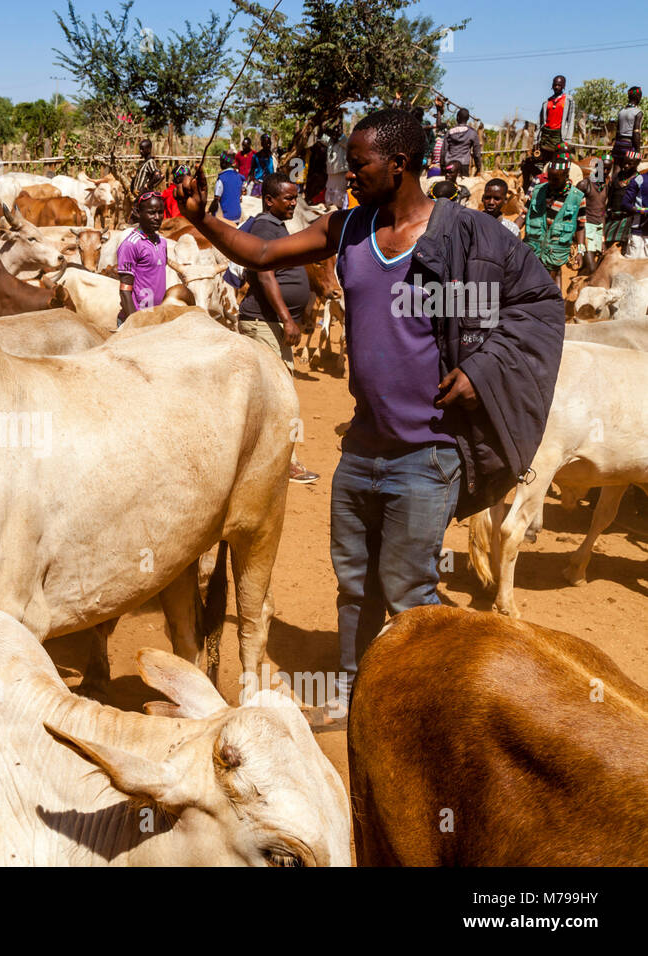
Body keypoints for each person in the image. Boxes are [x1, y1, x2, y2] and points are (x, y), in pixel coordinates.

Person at [172, 107, 565, 715]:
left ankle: (429, 714)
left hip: (428, 452)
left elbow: (537, 304)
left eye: (359, 165)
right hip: (361, 451)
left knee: (410, 591)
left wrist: (482, 371)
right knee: (355, 589)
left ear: (400, 164)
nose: (348, 175)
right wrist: (201, 219)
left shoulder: (465, 236)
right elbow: (259, 250)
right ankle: (358, 699)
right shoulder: (347, 229)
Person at [235, 171, 319, 484]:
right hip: (264, 323)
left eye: (295, 198)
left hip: (271, 324)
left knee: (280, 393)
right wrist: (287, 318)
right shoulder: (265, 227)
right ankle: (286, 462)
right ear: (269, 200)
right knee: (281, 396)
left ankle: (278, 458)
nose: (293, 203)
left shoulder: (276, 227)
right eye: (287, 198)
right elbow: (264, 275)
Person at [523, 152, 586, 281]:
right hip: (534, 247)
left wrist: (580, 251)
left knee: (553, 279)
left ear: (566, 176)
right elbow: (524, 215)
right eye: (549, 177)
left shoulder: (577, 198)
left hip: (555, 252)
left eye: (556, 179)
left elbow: (581, 226)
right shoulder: (538, 191)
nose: (551, 182)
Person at [116, 192, 168, 326]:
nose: (157, 217)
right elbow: (125, 291)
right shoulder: (131, 244)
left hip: (155, 319)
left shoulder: (162, 242)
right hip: (136, 321)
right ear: (138, 213)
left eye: (160, 212)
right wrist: (136, 324)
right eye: (151, 213)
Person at [578, 153, 610, 271]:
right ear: (597, 166)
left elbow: (602, 213)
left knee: (597, 267)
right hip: (586, 229)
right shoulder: (584, 184)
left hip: (598, 229)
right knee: (591, 268)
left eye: (608, 169)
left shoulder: (605, 187)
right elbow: (572, 207)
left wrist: (602, 238)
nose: (605, 171)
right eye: (603, 168)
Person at [538, 75, 574, 164]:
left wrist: (568, 139)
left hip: (559, 136)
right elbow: (540, 121)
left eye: (559, 85)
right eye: (555, 85)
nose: (556, 87)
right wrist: (537, 138)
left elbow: (570, 120)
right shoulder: (547, 102)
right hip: (546, 135)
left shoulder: (568, 100)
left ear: (563, 86)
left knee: (558, 160)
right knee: (545, 161)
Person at [441, 108, 482, 178]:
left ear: (457, 117)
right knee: (462, 185)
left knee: (449, 186)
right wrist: (478, 168)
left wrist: (442, 165)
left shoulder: (449, 132)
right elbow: (477, 153)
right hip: (463, 165)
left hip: (449, 164)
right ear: (468, 118)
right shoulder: (472, 133)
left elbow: (444, 151)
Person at [612, 86, 643, 180]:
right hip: (629, 144)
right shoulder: (638, 112)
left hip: (619, 143)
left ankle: (613, 189)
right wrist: (637, 151)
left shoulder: (621, 112)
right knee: (631, 170)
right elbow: (636, 133)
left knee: (616, 168)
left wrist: (615, 146)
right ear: (638, 98)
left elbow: (617, 132)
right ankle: (626, 191)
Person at [622, 167, 648, 258]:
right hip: (638, 231)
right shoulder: (639, 179)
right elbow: (625, 203)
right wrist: (643, 210)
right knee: (632, 264)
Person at [212, 152, 244, 221]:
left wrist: (211, 212)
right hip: (237, 216)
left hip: (226, 218)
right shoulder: (239, 177)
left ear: (223, 163)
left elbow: (216, 198)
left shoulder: (222, 178)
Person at [131, 139, 163, 204]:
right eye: (140, 149)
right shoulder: (144, 162)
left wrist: (148, 186)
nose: (140, 151)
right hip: (138, 196)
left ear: (148, 149)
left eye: (142, 149)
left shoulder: (150, 162)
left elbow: (158, 176)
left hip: (144, 197)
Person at [324, 126, 349, 208]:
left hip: (341, 171)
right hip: (331, 171)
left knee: (339, 191)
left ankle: (338, 207)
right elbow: (322, 138)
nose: (334, 134)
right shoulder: (330, 142)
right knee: (329, 189)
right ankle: (329, 205)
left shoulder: (345, 141)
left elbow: (342, 139)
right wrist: (324, 129)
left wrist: (337, 133)